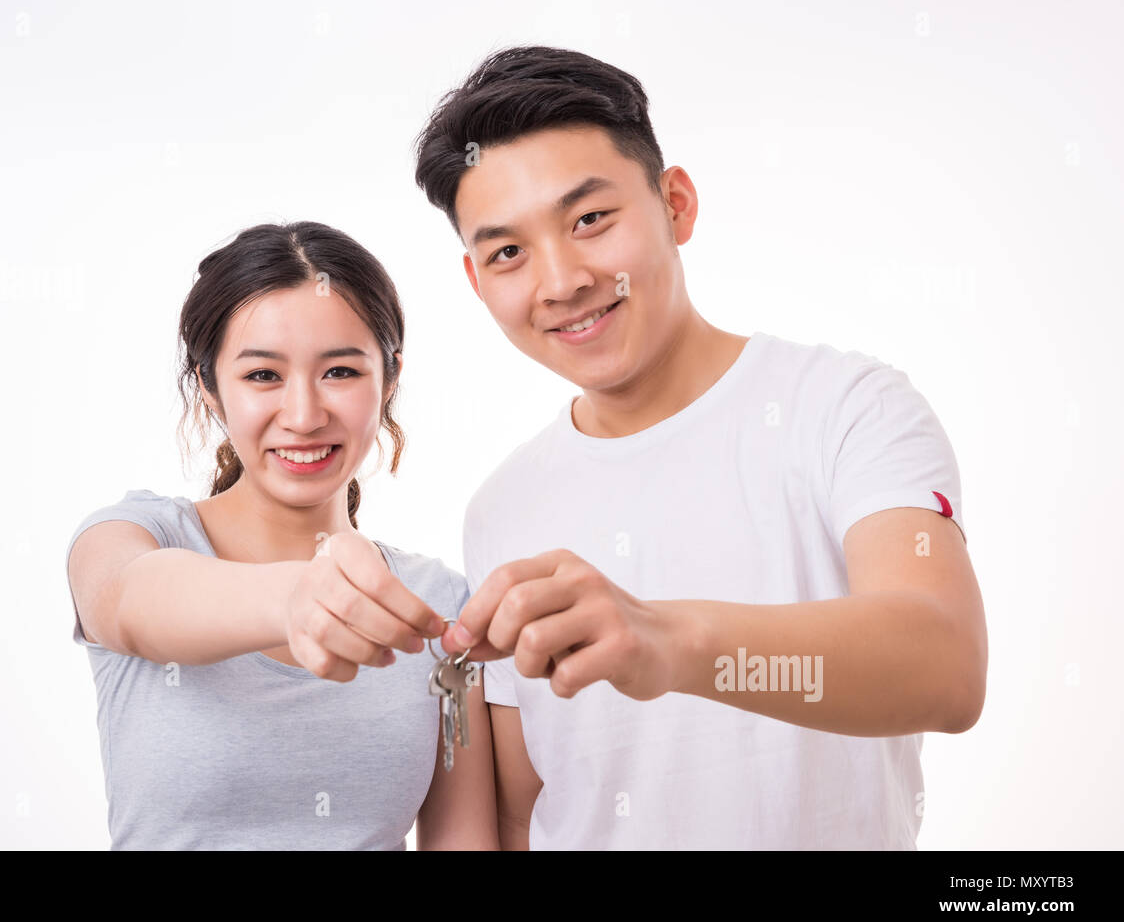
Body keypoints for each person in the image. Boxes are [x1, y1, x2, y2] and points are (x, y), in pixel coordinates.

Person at [413, 45, 987, 849]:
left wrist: (672, 642)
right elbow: (521, 809)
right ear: (477, 281)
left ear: (675, 203)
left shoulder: (848, 408)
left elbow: (947, 667)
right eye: (508, 252)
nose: (561, 280)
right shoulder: (500, 509)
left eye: (589, 219)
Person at [64, 221, 497, 849]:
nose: (303, 416)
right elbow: (130, 602)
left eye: (342, 372)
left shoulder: (439, 604)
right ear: (210, 387)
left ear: (390, 378)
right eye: (263, 376)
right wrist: (299, 597)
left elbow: (464, 841)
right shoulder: (134, 537)